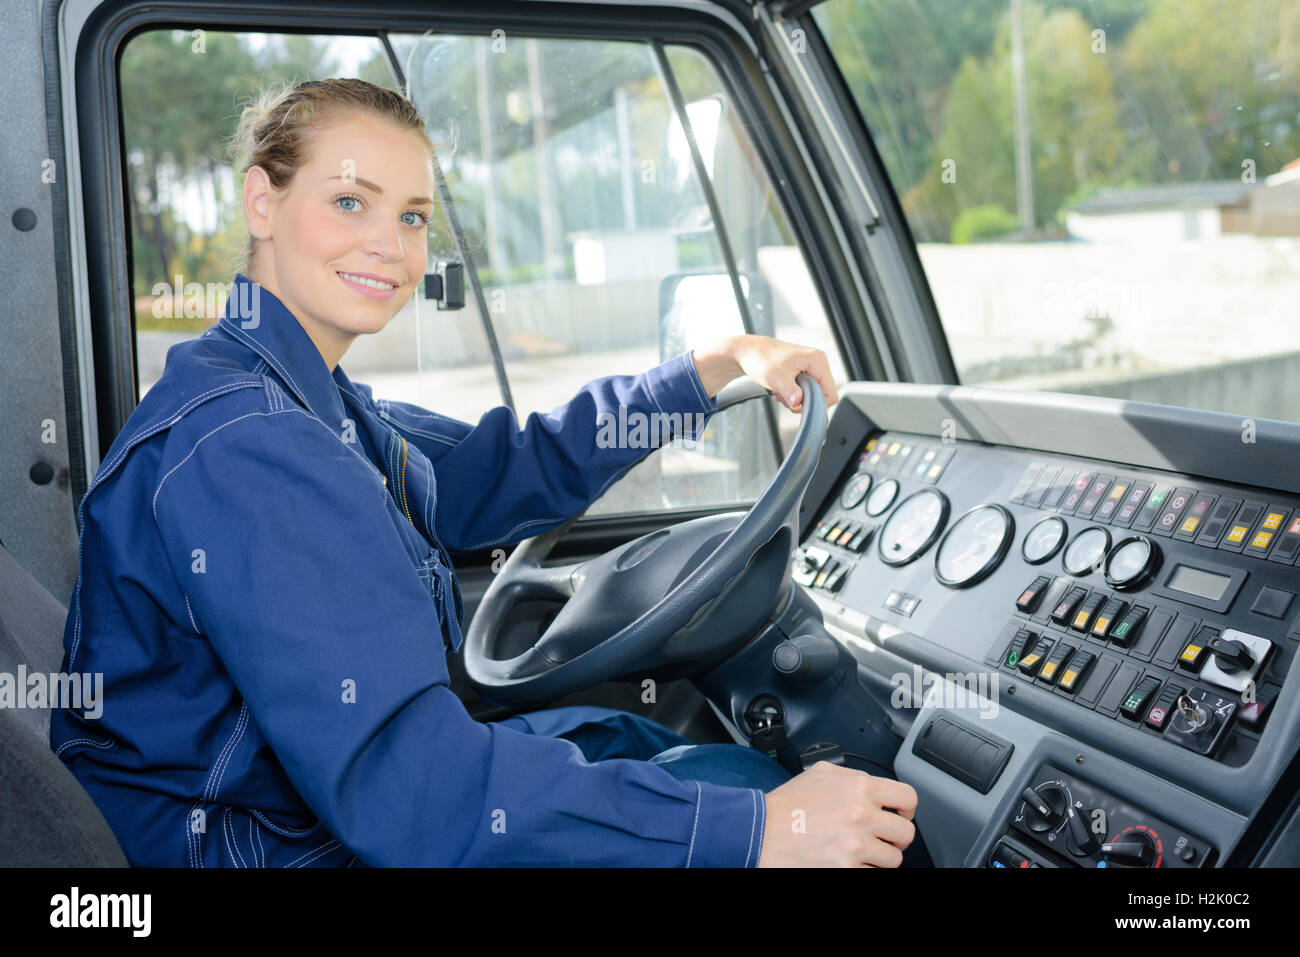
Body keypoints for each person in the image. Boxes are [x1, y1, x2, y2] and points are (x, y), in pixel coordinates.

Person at [50, 77, 917, 867]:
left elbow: (499, 469)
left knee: (626, 735)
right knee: (750, 796)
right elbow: (413, 796)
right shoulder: (254, 446)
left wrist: (711, 369)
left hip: (290, 804)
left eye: (413, 217)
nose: (388, 245)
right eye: (350, 201)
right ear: (262, 201)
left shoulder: (298, 396)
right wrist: (757, 831)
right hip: (261, 843)